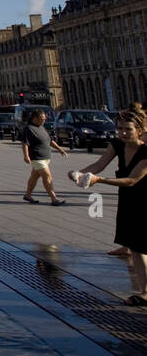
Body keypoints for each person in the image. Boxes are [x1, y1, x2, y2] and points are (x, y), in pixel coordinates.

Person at [69, 105, 147, 304]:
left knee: (142, 247)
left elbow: (132, 180)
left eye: (127, 129)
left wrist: (98, 180)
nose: (122, 133)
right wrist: (79, 173)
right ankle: (145, 292)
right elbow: (99, 164)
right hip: (128, 200)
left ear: (140, 130)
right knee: (135, 247)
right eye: (119, 128)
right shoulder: (117, 145)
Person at [21, 109, 67, 205]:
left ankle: (27, 195)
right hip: (37, 157)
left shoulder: (41, 127)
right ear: (35, 118)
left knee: (34, 177)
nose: (44, 121)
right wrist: (26, 156)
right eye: (42, 119)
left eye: (44, 119)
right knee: (47, 176)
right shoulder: (29, 128)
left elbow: (49, 140)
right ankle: (54, 199)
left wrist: (60, 149)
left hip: (46, 158)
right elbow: (25, 143)